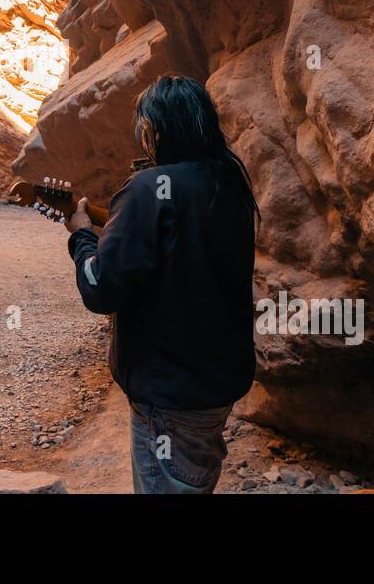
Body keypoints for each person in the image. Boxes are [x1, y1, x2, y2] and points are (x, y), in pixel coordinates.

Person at [63, 75, 258, 494]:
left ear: (156, 130)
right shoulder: (229, 183)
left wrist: (81, 234)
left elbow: (100, 287)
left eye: (145, 129)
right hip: (216, 384)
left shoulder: (148, 188)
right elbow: (176, 248)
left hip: (170, 395)